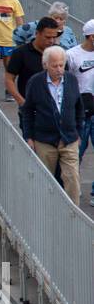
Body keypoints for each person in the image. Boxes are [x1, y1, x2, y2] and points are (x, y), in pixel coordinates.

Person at [20, 46, 84, 207]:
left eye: (61, 65)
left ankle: (72, 215)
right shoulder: (35, 82)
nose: (59, 69)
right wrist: (28, 137)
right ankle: (44, 211)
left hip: (69, 139)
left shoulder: (71, 80)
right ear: (45, 65)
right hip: (44, 141)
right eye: (54, 65)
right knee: (45, 180)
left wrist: (78, 134)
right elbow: (27, 111)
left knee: (73, 178)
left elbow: (79, 108)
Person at [5, 17, 60, 131]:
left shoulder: (58, 53)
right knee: (30, 146)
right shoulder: (21, 53)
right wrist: (21, 101)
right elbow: (9, 79)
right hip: (30, 111)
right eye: (48, 37)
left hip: (55, 110)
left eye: (54, 37)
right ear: (37, 33)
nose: (51, 41)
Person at [65, 18, 94, 208]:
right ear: (91, 37)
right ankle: (74, 190)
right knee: (75, 154)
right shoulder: (71, 55)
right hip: (81, 112)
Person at [13, 1, 78, 51]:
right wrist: (24, 51)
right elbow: (17, 33)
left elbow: (74, 49)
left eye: (61, 19)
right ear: (50, 16)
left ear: (65, 21)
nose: (57, 21)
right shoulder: (38, 25)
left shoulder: (68, 31)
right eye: (55, 18)